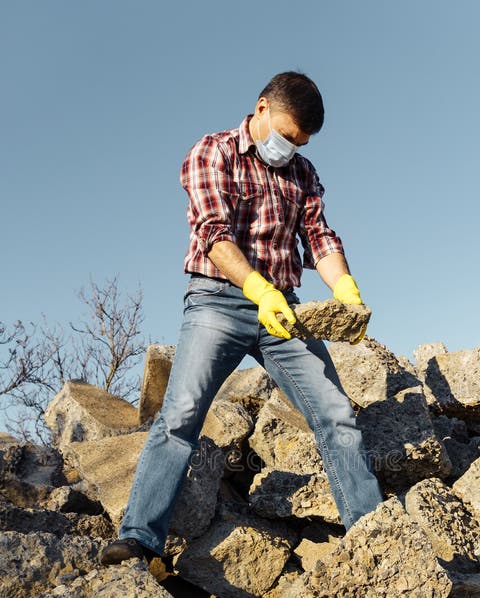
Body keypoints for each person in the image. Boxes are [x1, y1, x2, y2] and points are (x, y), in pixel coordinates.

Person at [100, 71, 383, 566]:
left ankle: (376, 539)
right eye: (287, 136)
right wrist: (256, 287)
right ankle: (141, 538)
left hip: (285, 315)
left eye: (301, 142)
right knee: (181, 415)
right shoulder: (212, 152)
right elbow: (213, 232)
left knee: (337, 415)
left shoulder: (303, 172)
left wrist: (344, 287)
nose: (290, 148)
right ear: (261, 109)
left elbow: (318, 237)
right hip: (218, 300)